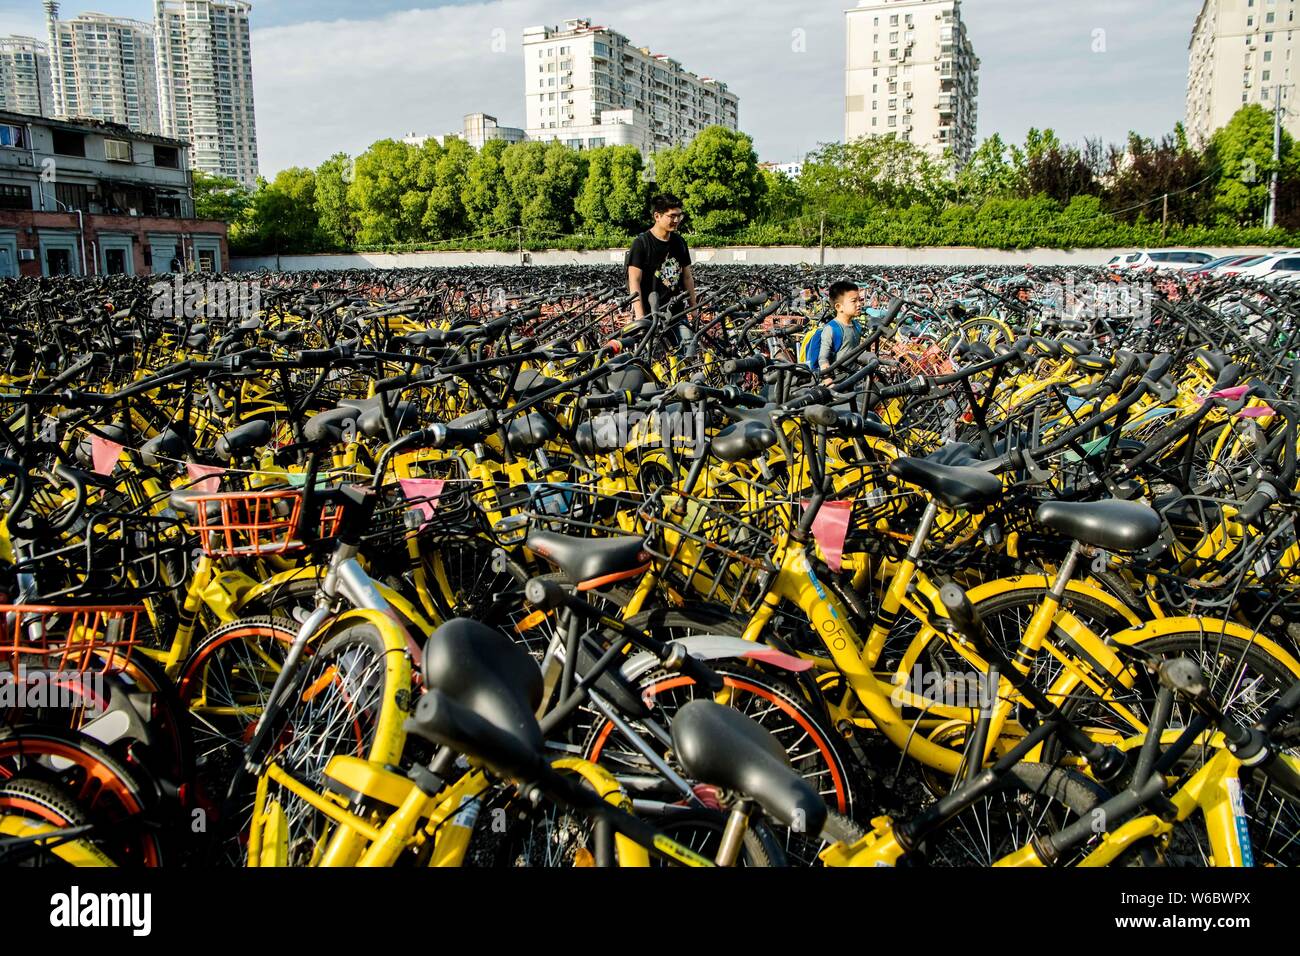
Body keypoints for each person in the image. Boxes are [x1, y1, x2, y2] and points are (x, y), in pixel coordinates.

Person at [627, 195, 697, 321]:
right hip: (652, 314)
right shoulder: (641, 243)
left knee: (689, 340)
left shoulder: (679, 242)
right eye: (672, 216)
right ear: (657, 216)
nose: (677, 220)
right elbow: (634, 281)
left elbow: (687, 277)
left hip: (676, 312)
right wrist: (640, 316)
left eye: (679, 216)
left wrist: (694, 308)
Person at [805, 280, 865, 384]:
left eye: (859, 300)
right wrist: (829, 382)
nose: (859, 304)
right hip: (839, 381)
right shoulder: (832, 329)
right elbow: (823, 359)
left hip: (854, 377)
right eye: (854, 301)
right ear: (839, 307)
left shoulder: (856, 325)